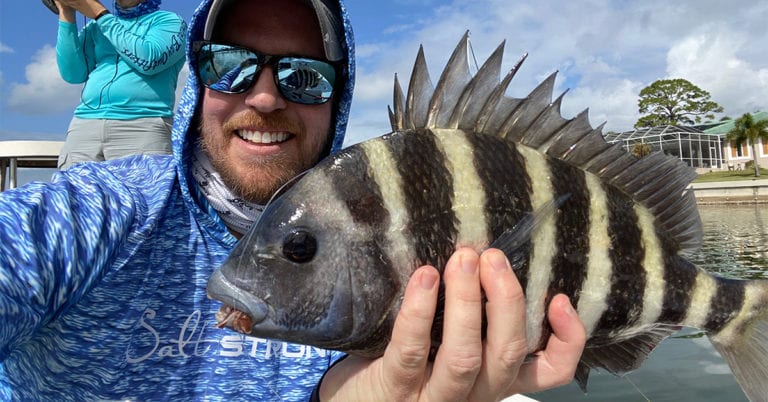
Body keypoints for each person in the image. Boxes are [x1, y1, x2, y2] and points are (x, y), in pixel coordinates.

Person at [0, 0, 586, 400]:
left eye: (305, 75)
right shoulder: (103, 212)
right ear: (197, 81)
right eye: (229, 64)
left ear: (340, 94)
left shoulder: (375, 225)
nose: (263, 97)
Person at [53, 0, 186, 169]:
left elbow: (150, 60)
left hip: (143, 124)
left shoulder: (170, 22)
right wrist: (67, 14)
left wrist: (100, 14)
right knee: (75, 194)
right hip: (85, 124)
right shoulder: (96, 27)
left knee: (141, 195)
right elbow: (72, 74)